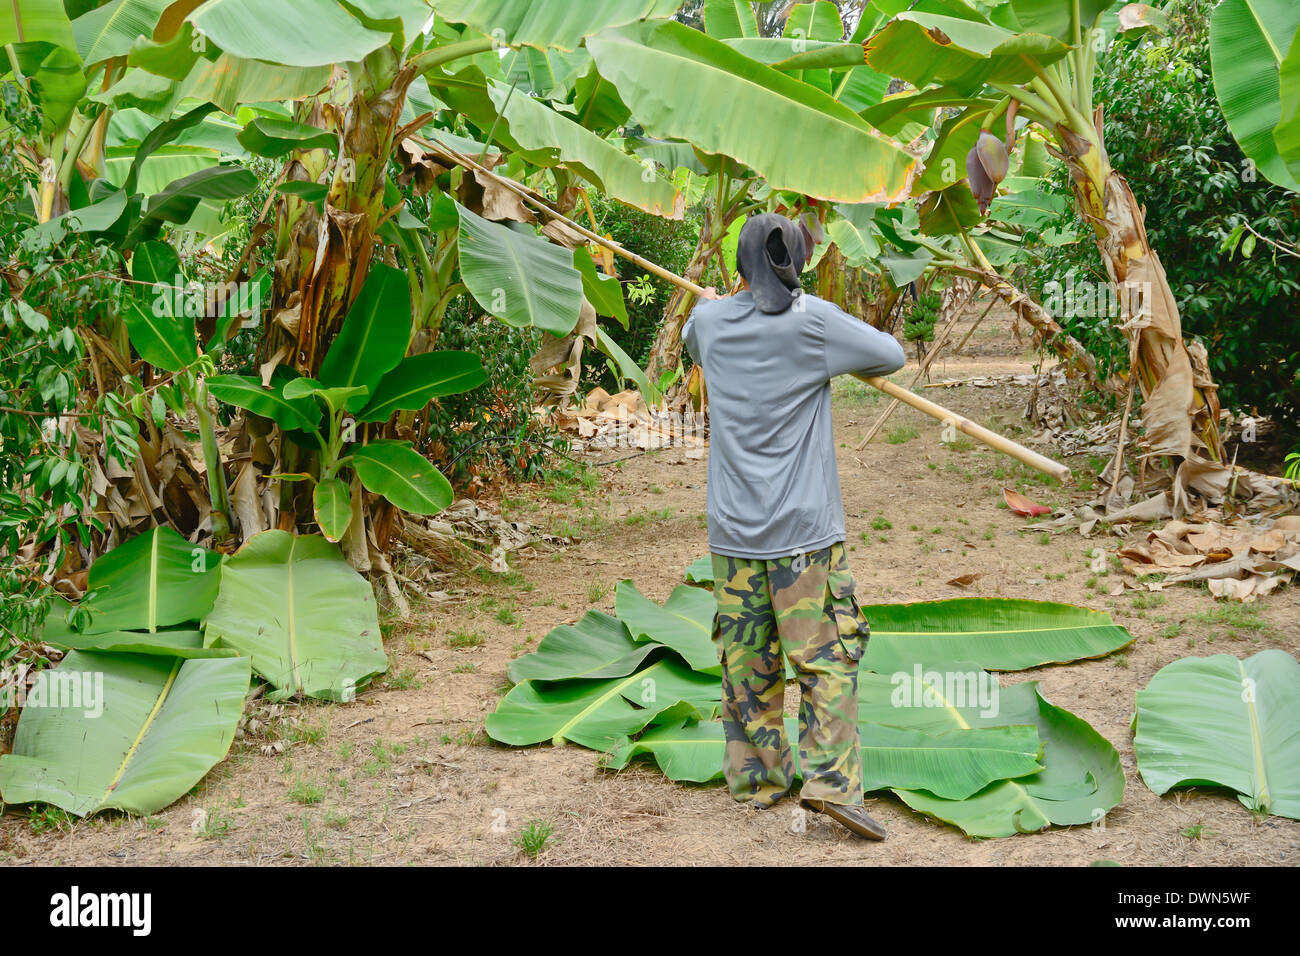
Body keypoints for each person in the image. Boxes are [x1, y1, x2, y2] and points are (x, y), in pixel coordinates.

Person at [682, 213, 906, 840]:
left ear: (740, 264)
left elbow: (693, 344)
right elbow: (891, 354)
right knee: (825, 659)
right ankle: (831, 783)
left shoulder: (708, 322)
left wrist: (723, 304)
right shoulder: (814, 323)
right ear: (797, 263)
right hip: (804, 535)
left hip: (732, 533)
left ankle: (758, 781)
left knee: (746, 661)